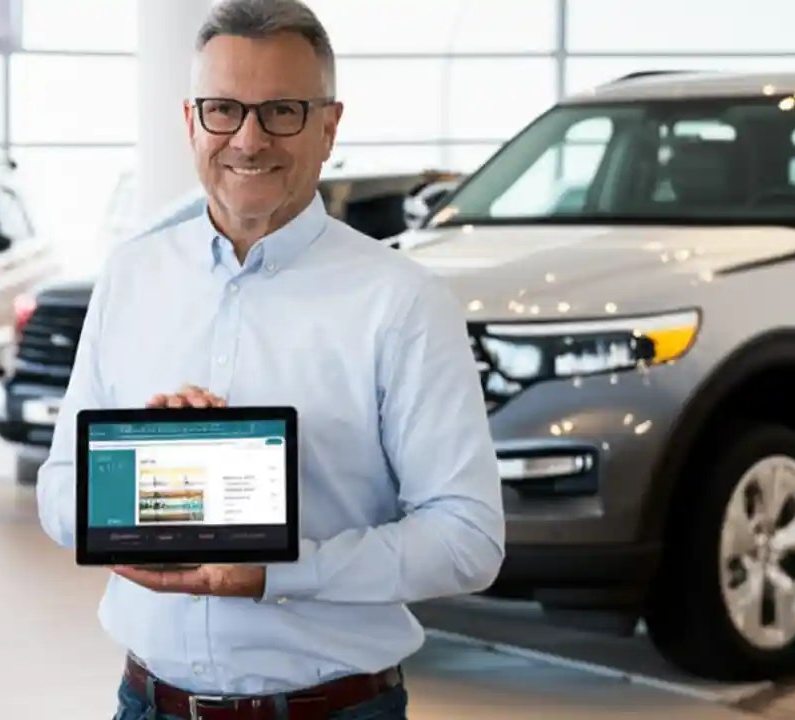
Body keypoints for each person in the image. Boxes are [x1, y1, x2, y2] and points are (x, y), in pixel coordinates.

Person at [36, 0, 505, 717]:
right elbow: (57, 493)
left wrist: (281, 572)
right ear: (192, 121)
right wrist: (143, 478)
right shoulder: (132, 278)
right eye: (223, 109)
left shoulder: (401, 301)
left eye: (281, 110)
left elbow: (468, 539)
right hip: (149, 703)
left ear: (329, 125)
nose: (249, 140)